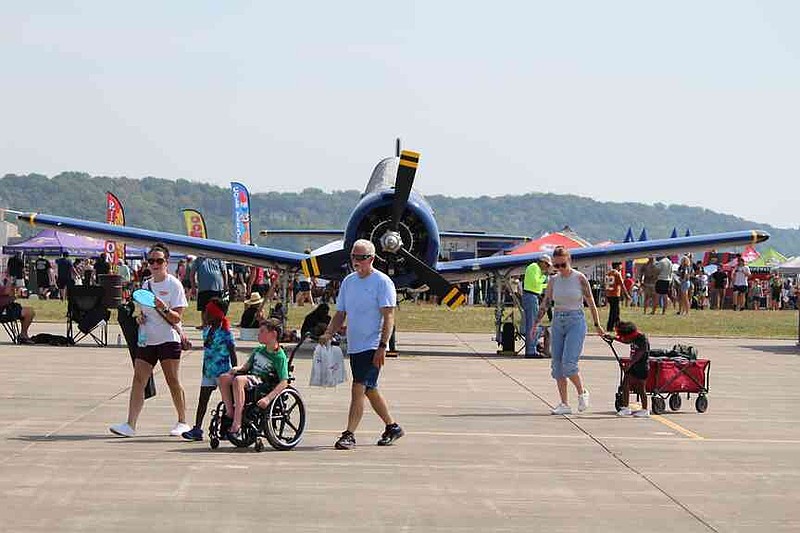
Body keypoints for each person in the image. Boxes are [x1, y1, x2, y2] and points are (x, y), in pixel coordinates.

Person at [320, 239, 404, 450]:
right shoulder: (349, 282)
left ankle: (349, 434)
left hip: (373, 345)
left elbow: (389, 316)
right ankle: (392, 427)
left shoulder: (382, 282)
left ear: (372, 259)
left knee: (358, 388)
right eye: (354, 257)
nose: (356, 261)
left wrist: (383, 346)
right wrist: (329, 332)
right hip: (355, 345)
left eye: (361, 258)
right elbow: (341, 313)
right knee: (369, 389)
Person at [109, 243, 191, 438]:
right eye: (151, 261)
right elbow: (141, 311)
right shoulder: (146, 285)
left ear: (166, 263)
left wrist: (162, 307)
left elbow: (177, 317)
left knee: (172, 380)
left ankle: (182, 421)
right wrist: (139, 318)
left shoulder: (174, 285)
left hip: (168, 339)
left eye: (159, 260)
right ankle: (130, 424)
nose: (155, 264)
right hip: (147, 339)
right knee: (138, 380)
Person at [532, 246, 604, 415]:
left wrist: (597, 324)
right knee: (557, 366)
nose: (560, 269)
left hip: (576, 321)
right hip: (558, 320)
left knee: (569, 364)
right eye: (556, 266)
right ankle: (564, 403)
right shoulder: (553, 281)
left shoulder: (579, 278)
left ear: (569, 261)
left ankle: (582, 392)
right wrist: (536, 323)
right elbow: (546, 302)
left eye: (563, 264)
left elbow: (591, 302)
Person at [217, 318, 288, 441]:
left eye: (262, 331)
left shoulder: (279, 357)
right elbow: (246, 367)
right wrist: (236, 369)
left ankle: (237, 421)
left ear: (273, 334)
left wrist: (268, 398)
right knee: (223, 378)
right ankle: (230, 413)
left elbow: (284, 381)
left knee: (239, 380)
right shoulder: (258, 350)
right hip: (250, 377)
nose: (258, 334)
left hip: (262, 382)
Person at [182, 297, 237, 441]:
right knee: (202, 401)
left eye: (207, 313)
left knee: (228, 402)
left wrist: (235, 371)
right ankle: (197, 428)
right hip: (208, 372)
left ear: (216, 315)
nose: (205, 315)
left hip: (223, 372)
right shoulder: (207, 330)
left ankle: (226, 428)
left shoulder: (226, 333)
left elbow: (233, 353)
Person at [606, 321, 650, 417]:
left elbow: (640, 353)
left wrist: (630, 363)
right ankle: (626, 408)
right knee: (625, 384)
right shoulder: (632, 337)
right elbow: (626, 341)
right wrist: (614, 338)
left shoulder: (642, 338)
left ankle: (645, 410)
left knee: (641, 388)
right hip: (633, 365)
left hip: (642, 366)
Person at [522, 255, 551, 358]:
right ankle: (531, 351)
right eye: (547, 265)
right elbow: (536, 282)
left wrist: (548, 285)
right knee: (532, 324)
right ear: (542, 262)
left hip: (532, 295)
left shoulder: (536, 269)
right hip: (531, 296)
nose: (547, 268)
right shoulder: (534, 267)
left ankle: (532, 347)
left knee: (533, 323)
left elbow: (538, 285)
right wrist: (544, 277)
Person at [191, 256, 227, 322]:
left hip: (217, 288)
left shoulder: (218, 259)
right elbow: (192, 274)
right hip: (203, 288)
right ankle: (204, 324)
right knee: (204, 308)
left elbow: (224, 272)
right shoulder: (198, 260)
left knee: (218, 308)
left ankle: (217, 324)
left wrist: (225, 285)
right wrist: (193, 287)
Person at [604, 262, 629, 330]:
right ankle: (610, 326)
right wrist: (626, 295)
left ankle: (617, 326)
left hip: (609, 294)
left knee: (615, 311)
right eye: (620, 266)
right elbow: (622, 285)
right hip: (615, 294)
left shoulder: (608, 273)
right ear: (617, 266)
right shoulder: (617, 274)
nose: (621, 267)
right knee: (614, 312)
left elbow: (605, 285)